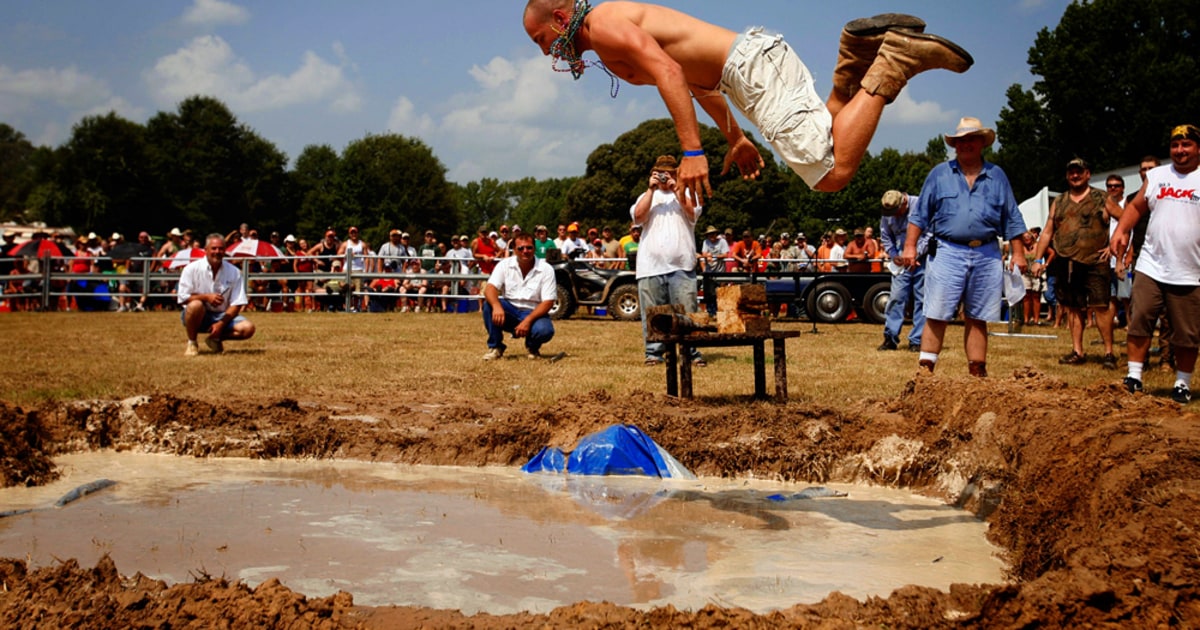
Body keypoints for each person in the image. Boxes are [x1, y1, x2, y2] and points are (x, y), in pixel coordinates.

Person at [523, 2, 972, 203]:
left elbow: (670, 74)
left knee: (833, 175)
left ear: (561, 19)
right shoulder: (605, 40)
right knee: (829, 140)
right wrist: (734, 137)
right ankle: (855, 55)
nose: (546, 51)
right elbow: (697, 82)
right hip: (745, 71)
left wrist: (693, 152)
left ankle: (893, 60)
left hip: (750, 68)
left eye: (543, 39)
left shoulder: (602, 24)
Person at [896, 117, 1028, 377]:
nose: (965, 144)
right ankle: (925, 373)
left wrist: (1019, 252)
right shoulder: (939, 173)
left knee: (978, 316)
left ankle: (977, 374)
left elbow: (1012, 216)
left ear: (982, 143)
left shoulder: (997, 175)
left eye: (971, 139)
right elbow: (919, 214)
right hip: (947, 250)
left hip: (987, 252)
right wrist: (910, 247)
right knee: (936, 313)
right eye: (960, 141)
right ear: (954, 145)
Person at [1110, 124, 1200, 404]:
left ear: (1198, 148)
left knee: (1186, 334)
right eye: (1175, 145)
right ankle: (1134, 377)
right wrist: (1121, 231)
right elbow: (1136, 207)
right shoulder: (1158, 175)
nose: (1180, 150)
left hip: (1190, 271)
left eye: (1186, 145)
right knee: (1139, 320)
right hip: (1151, 264)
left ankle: (1182, 384)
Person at [1030, 158, 1123, 369]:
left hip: (1095, 262)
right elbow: (1047, 232)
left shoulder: (1102, 198)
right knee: (1072, 308)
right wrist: (1037, 259)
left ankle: (1109, 352)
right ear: (1067, 175)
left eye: (1079, 171)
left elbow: (1125, 219)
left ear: (1087, 174)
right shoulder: (1060, 201)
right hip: (1066, 262)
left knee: (1101, 306)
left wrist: (1113, 246)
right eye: (1071, 172)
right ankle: (1077, 351)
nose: (1075, 175)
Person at [631, 155, 705, 367]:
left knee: (687, 312)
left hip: (682, 265)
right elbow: (637, 217)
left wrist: (677, 189)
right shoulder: (646, 196)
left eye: (669, 173)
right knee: (653, 314)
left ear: (677, 173)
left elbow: (692, 214)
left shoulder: (688, 194)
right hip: (650, 267)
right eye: (660, 173)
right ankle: (654, 353)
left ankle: (691, 352)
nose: (665, 176)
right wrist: (651, 189)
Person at [482, 232, 557, 360]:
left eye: (529, 247)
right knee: (488, 305)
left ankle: (532, 347)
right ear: (514, 250)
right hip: (510, 310)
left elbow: (548, 301)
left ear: (535, 248)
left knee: (545, 331)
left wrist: (527, 321)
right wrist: (496, 306)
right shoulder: (504, 265)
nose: (525, 251)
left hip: (534, 312)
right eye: (520, 248)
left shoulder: (546, 269)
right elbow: (490, 288)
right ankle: (496, 347)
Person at [177, 233, 255, 356]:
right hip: (197, 315)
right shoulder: (191, 269)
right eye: (213, 248)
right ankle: (192, 343)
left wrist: (221, 324)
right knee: (195, 305)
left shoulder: (234, 272)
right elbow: (182, 298)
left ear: (225, 250)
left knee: (248, 328)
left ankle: (215, 338)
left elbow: (237, 303)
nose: (217, 251)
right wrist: (206, 297)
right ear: (205, 250)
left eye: (221, 248)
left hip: (222, 315)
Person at [878, 190, 926, 351]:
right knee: (896, 297)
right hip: (900, 260)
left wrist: (915, 253)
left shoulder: (921, 204)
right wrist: (893, 254)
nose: (894, 216)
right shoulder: (888, 211)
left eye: (896, 212)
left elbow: (930, 233)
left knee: (923, 299)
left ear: (904, 203)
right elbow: (885, 235)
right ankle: (890, 338)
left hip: (923, 258)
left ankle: (917, 340)